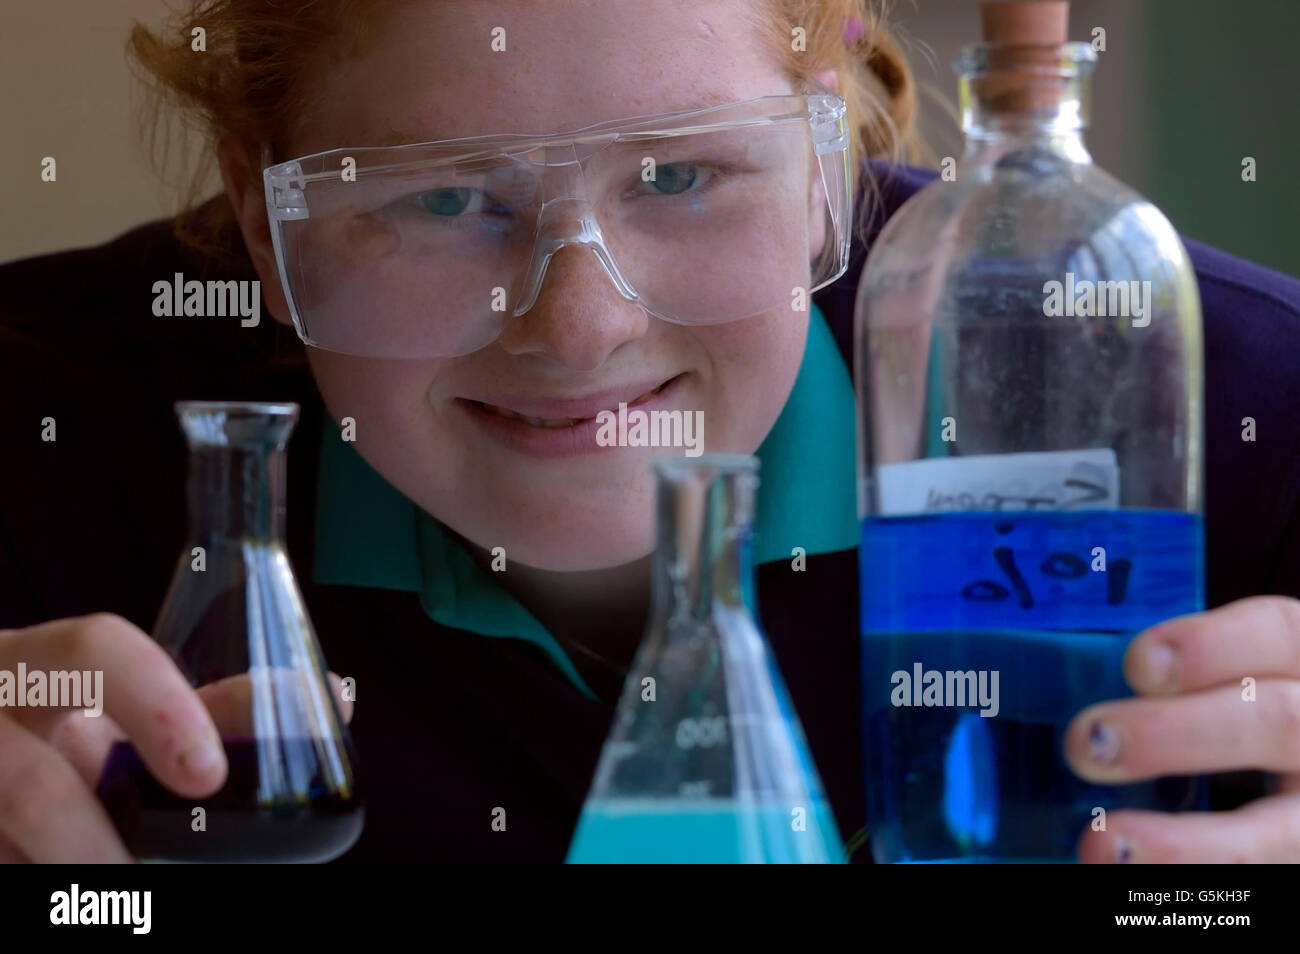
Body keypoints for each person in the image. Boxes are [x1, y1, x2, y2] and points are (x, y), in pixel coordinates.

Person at [1, 0, 1298, 864]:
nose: (579, 329)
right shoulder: (38, 428)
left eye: (680, 177)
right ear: (260, 217)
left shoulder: (1238, 407)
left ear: (826, 162)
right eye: (444, 199)